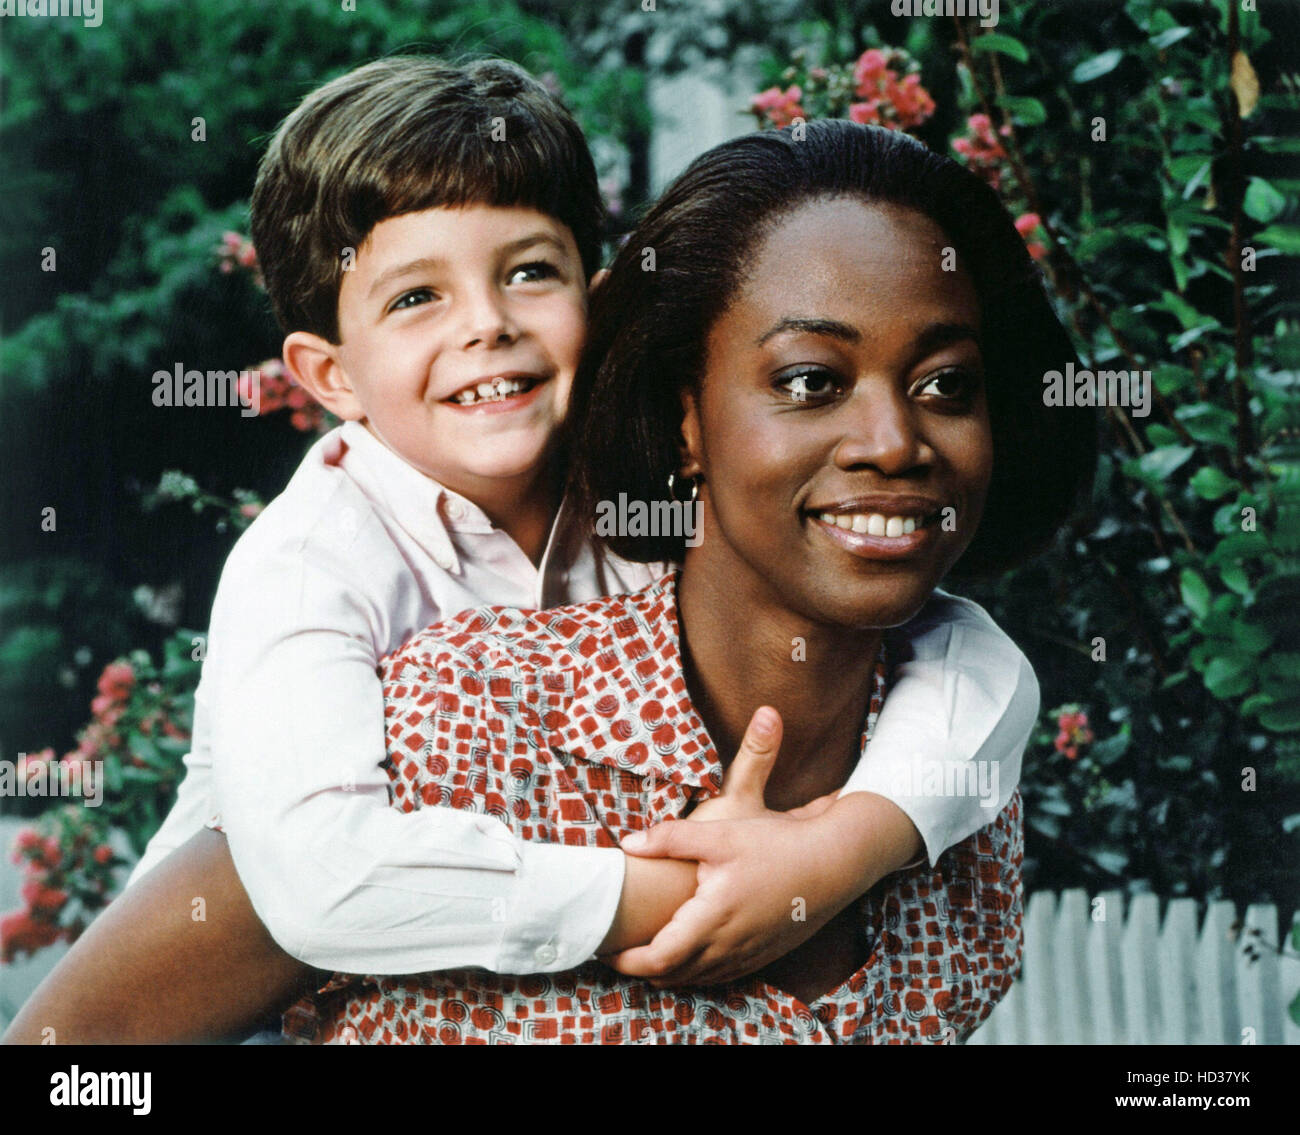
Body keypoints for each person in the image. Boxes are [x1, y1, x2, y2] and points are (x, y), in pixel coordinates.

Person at [2, 70, 1055, 1044]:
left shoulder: (637, 496)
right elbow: (316, 883)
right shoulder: (312, 559)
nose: (488, 327)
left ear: (593, 302)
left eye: (529, 273)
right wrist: (649, 895)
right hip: (237, 974)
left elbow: (963, 648)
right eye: (417, 298)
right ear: (329, 373)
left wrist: (846, 844)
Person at [292, 116, 1096, 1042]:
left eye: (946, 385)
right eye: (808, 381)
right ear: (686, 420)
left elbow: (980, 654)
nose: (894, 442)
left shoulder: (959, 787)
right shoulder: (467, 717)